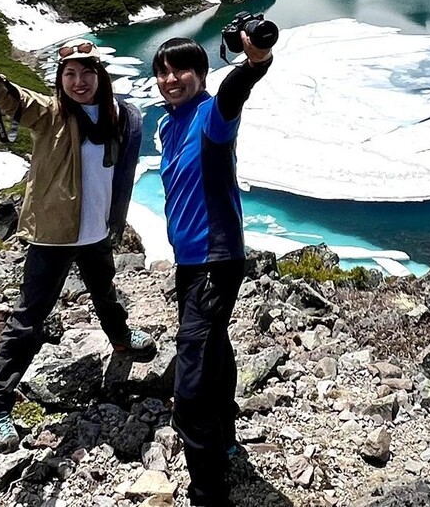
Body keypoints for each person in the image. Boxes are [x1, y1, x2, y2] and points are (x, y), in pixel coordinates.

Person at [0, 39, 154, 453]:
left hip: (97, 231)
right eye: (70, 74)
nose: (79, 82)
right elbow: (11, 98)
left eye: (87, 73)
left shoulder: (118, 114)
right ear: (60, 79)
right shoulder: (50, 113)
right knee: (29, 319)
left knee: (105, 292)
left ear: (100, 76)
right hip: (54, 235)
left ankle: (120, 338)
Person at [155, 30, 274, 507]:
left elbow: (231, 96)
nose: (170, 78)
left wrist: (254, 63)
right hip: (193, 262)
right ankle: (225, 435)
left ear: (201, 75)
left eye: (181, 68)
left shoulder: (208, 115)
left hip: (214, 260)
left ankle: (209, 492)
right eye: (162, 70)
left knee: (191, 382)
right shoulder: (172, 123)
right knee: (214, 347)